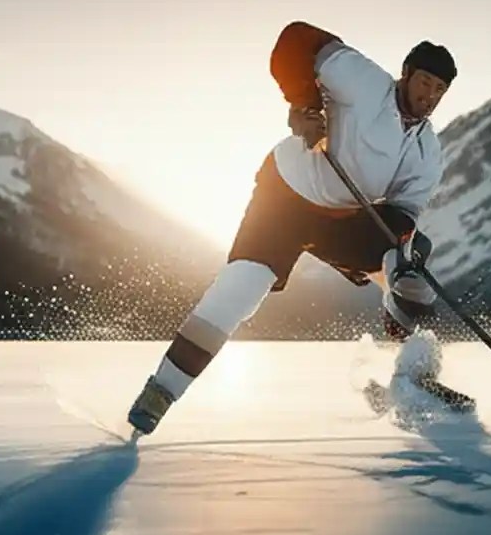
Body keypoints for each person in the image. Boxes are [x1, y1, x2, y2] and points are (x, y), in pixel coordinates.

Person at [127, 21, 456, 436]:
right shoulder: (362, 80)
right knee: (242, 287)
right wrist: (305, 106)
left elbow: (402, 215)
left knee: (413, 265)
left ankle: (413, 377)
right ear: (406, 73)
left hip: (338, 220)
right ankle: (160, 392)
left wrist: (399, 275)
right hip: (284, 200)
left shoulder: (427, 151)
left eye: (439, 90)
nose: (429, 96)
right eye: (424, 82)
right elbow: (296, 40)